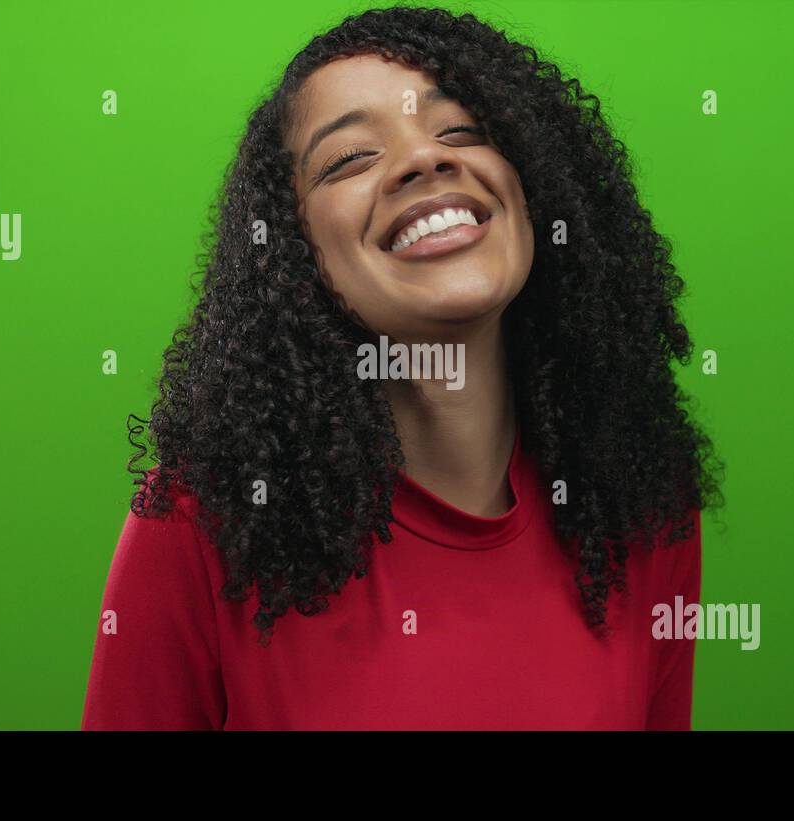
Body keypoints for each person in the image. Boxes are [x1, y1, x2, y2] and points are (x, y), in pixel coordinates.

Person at [82, 5, 724, 730]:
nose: (425, 158)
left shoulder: (637, 499)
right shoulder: (203, 521)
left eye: (462, 130)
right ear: (297, 255)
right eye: (351, 158)